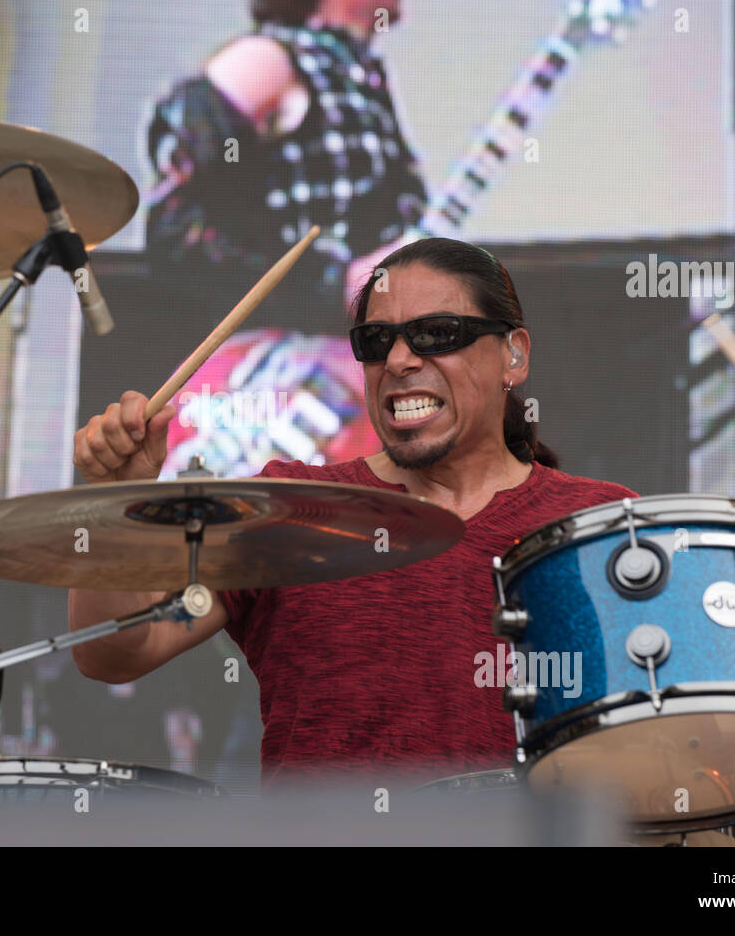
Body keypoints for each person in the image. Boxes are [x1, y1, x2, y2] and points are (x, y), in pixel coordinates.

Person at [69, 237, 642, 788]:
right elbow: (113, 651)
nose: (397, 360)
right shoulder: (289, 505)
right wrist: (116, 499)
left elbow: (683, 742)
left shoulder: (601, 519)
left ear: (513, 355)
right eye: (376, 340)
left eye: (436, 334)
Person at [143, 0, 426, 311]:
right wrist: (333, 282)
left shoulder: (359, 75)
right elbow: (179, 238)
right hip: (283, 345)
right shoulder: (265, 61)